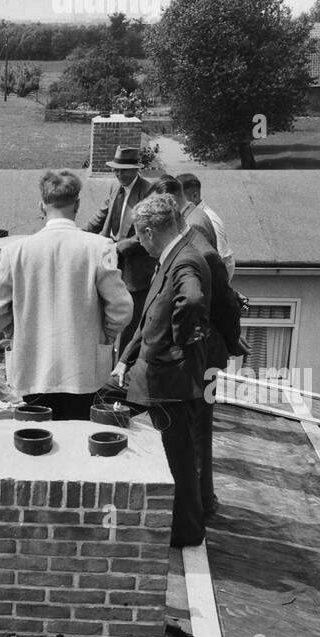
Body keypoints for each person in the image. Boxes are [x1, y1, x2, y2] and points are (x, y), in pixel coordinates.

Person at [0, 170, 133, 419]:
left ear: (41, 205)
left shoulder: (15, 252)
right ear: (77, 204)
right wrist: (102, 334)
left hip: (32, 370)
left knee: (38, 446)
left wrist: (16, 331)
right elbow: (122, 309)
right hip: (85, 370)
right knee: (79, 447)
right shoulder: (98, 247)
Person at [112, 194, 213, 548]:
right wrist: (126, 358)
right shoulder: (173, 256)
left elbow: (192, 300)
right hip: (159, 377)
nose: (140, 243)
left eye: (140, 237)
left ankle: (186, 531)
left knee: (178, 458)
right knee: (170, 454)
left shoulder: (184, 261)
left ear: (150, 232)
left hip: (169, 381)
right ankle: (176, 524)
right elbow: (150, 316)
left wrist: (176, 343)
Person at [151, 176, 247, 518]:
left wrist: (229, 341)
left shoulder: (197, 243)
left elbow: (224, 304)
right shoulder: (193, 226)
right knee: (196, 431)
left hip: (200, 358)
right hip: (202, 355)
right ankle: (200, 500)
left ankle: (199, 505)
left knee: (196, 432)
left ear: (170, 204)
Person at [84, 145, 157, 354]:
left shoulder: (149, 191)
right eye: (116, 170)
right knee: (107, 312)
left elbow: (144, 233)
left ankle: (123, 368)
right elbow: (100, 216)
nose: (119, 174)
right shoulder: (114, 187)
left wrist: (117, 248)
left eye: (124, 170)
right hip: (112, 258)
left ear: (136, 169)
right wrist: (77, 235)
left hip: (135, 268)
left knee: (129, 323)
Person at [177, 173, 234, 280]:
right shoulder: (193, 214)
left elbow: (219, 258)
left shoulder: (208, 219)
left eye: (180, 198)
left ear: (194, 196)